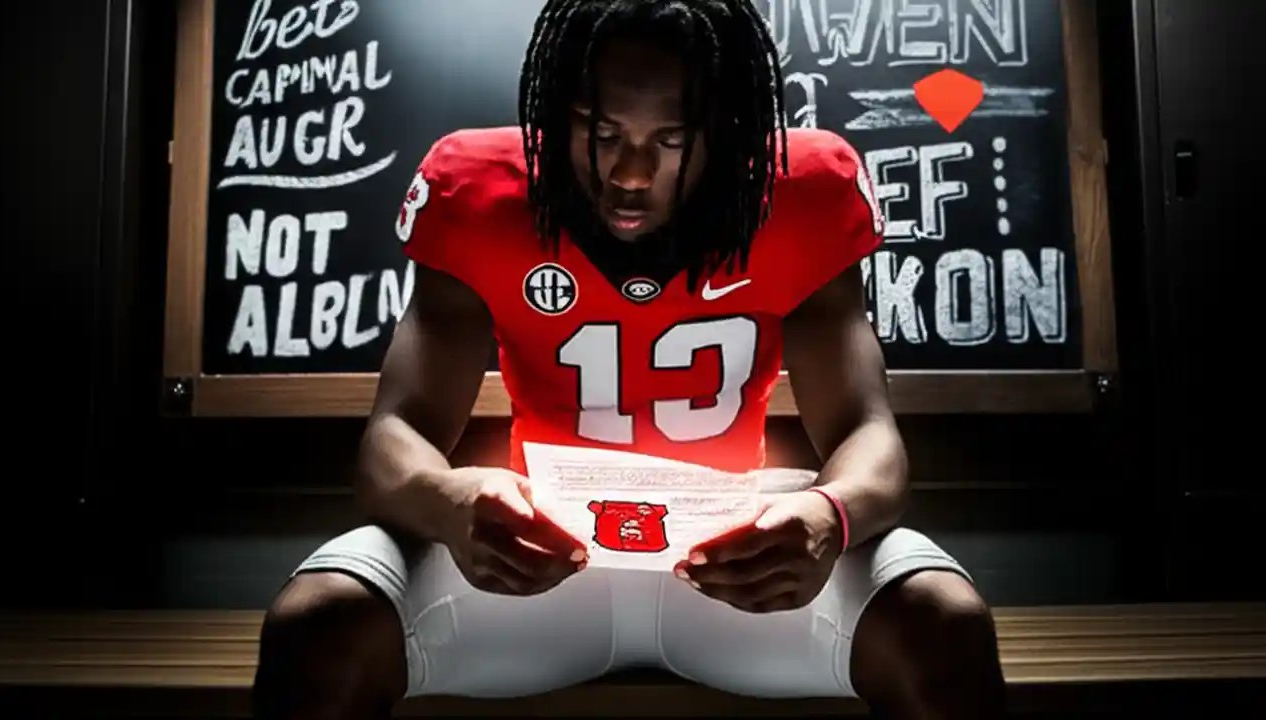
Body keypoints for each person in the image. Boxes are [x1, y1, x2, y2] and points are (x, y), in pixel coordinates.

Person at [252, 1, 1006, 718]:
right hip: (540, 558)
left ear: (726, 131)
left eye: (671, 140)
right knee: (320, 626)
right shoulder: (478, 188)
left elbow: (870, 435)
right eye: (600, 131)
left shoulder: (798, 192)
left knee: (942, 623)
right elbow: (391, 439)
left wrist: (825, 515)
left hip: (736, 553)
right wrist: (450, 503)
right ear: (555, 113)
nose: (631, 174)